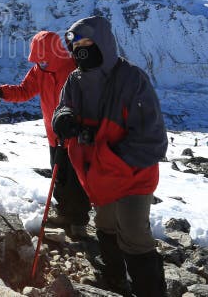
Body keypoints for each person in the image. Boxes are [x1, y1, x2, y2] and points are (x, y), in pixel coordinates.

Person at [52, 16, 168, 297]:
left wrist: (109, 157)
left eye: (86, 42)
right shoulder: (75, 79)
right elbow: (63, 106)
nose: (80, 49)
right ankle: (114, 280)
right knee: (105, 225)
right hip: (98, 176)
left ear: (102, 42)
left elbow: (151, 140)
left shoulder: (131, 79)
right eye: (75, 44)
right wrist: (62, 117)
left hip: (132, 175)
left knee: (133, 235)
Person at [0, 30, 91, 238]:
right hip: (54, 134)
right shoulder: (39, 71)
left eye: (43, 59)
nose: (40, 63)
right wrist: (3, 92)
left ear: (53, 54)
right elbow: (24, 90)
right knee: (58, 175)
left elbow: (90, 99)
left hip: (75, 136)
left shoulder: (74, 69)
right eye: (38, 60)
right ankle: (64, 214)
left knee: (77, 179)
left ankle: (79, 221)